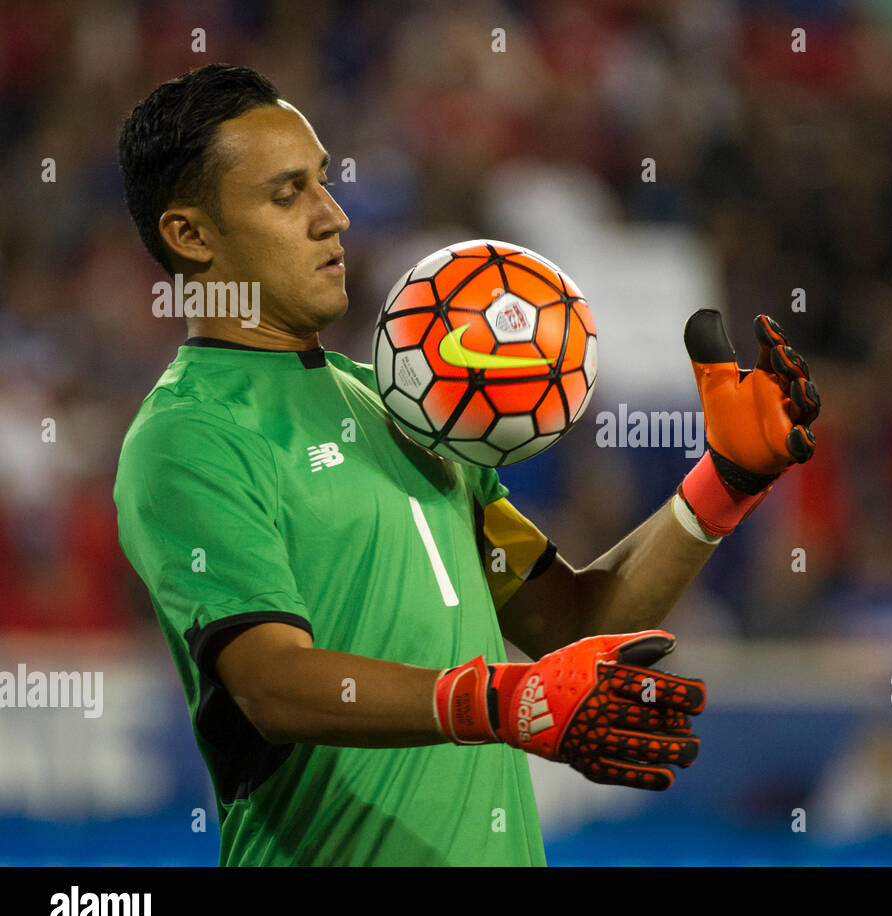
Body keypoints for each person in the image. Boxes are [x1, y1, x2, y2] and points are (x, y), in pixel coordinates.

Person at [112, 64, 821, 865]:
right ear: (191, 236)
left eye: (324, 183)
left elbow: (569, 624)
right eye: (287, 195)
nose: (334, 216)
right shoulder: (188, 435)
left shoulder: (403, 405)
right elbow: (272, 684)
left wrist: (722, 484)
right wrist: (497, 698)